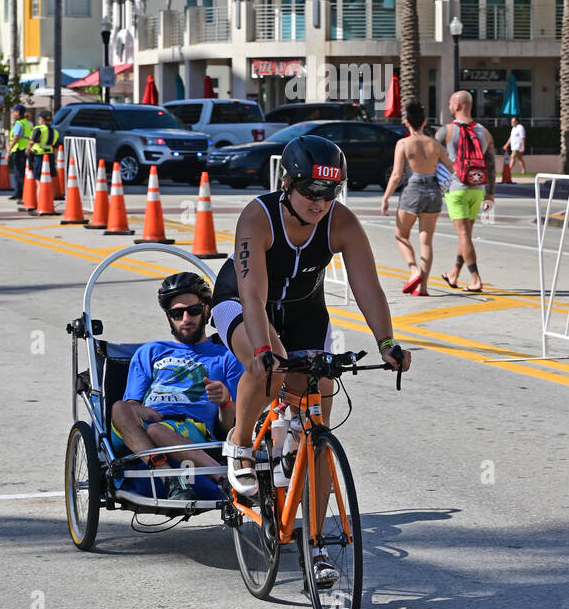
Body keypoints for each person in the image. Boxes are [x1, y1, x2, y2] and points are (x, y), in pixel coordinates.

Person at [210, 133, 411, 585]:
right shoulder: (257, 217)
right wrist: (263, 351)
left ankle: (316, 543)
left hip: (304, 313)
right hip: (241, 303)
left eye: (330, 193)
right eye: (311, 192)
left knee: (318, 408)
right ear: (288, 184)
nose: (320, 203)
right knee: (269, 368)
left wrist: (386, 344)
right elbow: (254, 295)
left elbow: (368, 288)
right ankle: (240, 446)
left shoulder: (341, 222)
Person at [110, 272, 243, 499]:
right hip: (141, 427)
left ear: (206, 310)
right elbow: (132, 404)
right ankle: (169, 475)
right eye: (176, 313)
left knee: (158, 430)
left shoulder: (226, 357)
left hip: (191, 429)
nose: (185, 318)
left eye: (193, 311)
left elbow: (230, 429)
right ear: (168, 317)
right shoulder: (149, 352)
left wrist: (225, 401)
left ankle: (217, 477)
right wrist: (142, 410)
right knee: (119, 407)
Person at [381, 98, 454, 296]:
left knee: (401, 235)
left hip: (412, 191)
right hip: (433, 191)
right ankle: (423, 287)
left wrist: (386, 197)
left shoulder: (403, 144)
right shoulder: (434, 144)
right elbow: (451, 167)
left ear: (407, 123)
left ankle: (414, 271)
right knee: (426, 241)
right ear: (423, 122)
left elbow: (396, 176)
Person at [436, 91, 496, 292]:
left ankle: (476, 278)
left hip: (457, 188)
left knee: (463, 235)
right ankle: (453, 273)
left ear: (458, 105)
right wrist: (490, 192)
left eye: (451, 102)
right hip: (477, 189)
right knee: (466, 234)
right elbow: (491, 164)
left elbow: (433, 157)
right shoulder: (484, 132)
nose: (449, 106)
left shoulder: (446, 131)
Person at [7, 104, 33, 201]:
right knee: (22, 172)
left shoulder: (18, 124)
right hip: (24, 149)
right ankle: (20, 193)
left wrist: (8, 150)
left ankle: (20, 194)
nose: (13, 113)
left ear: (18, 112)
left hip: (18, 150)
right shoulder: (26, 122)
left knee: (19, 173)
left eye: (14, 111)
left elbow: (15, 138)